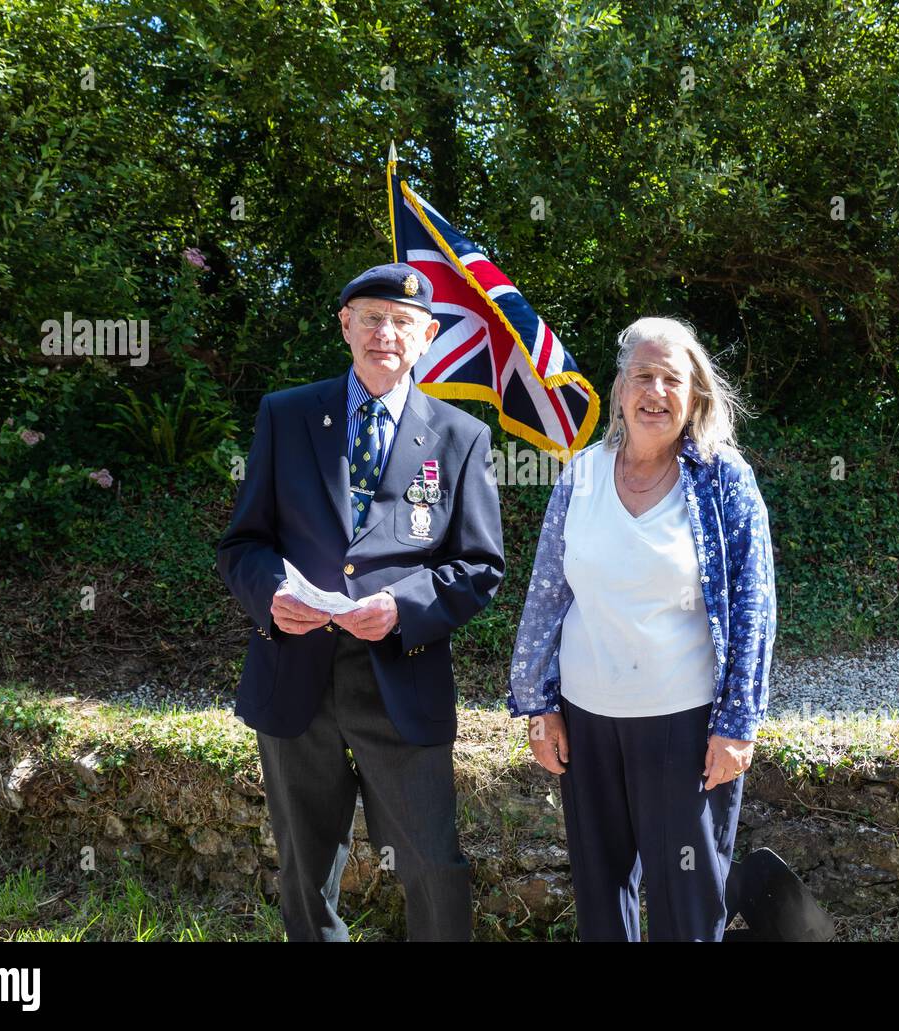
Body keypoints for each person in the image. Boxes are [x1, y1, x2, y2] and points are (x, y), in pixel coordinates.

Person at [217, 262, 505, 941]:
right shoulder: (285, 415)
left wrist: (403, 606)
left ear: (428, 334)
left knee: (434, 864)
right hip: (295, 675)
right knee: (304, 869)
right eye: (371, 317)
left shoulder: (461, 437)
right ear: (345, 324)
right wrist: (272, 594)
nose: (386, 332)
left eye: (403, 321)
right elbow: (243, 544)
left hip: (402, 679)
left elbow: (480, 565)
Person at [507, 315, 776, 941]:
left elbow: (755, 607)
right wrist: (538, 703)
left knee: (686, 904)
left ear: (695, 396)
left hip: (683, 724)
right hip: (586, 719)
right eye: (642, 376)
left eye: (671, 380)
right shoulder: (581, 473)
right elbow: (548, 593)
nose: (656, 392)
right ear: (620, 388)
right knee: (602, 901)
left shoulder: (721, 478)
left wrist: (737, 726)